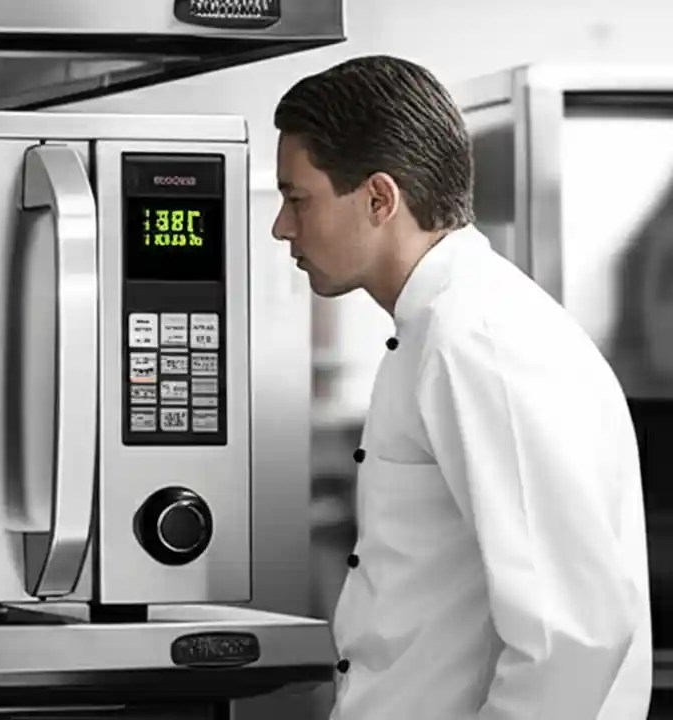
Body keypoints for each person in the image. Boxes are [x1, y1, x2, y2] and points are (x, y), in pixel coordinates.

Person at [270, 55, 652, 719]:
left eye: (298, 198)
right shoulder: (438, 328)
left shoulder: (477, 339)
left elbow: (572, 638)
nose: (282, 226)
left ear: (379, 199)